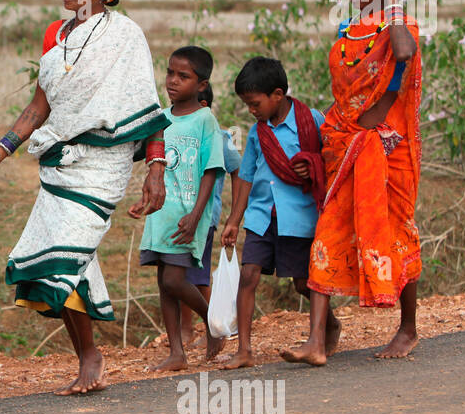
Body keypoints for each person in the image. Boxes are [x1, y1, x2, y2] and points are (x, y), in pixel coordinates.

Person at [0, 0, 171, 396]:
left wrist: (156, 168)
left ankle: (91, 355)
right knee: (73, 261)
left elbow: (146, 109)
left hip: (102, 167)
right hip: (59, 165)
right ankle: (88, 356)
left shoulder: (126, 36)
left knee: (64, 256)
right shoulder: (55, 36)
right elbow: (39, 107)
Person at [284, 0, 422, 365]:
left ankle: (408, 327)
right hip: (346, 146)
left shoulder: (401, 25)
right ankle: (315, 343)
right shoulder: (349, 31)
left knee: (398, 236)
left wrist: (394, 2)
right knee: (326, 236)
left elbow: (403, 54)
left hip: (387, 152)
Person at [218, 57, 339, 369]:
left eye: (255, 103)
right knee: (248, 275)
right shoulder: (258, 133)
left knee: (304, 283)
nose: (252, 111)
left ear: (277, 94)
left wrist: (312, 162)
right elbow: (246, 175)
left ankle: (328, 327)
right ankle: (244, 350)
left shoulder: (311, 119)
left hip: (300, 216)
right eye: (247, 105)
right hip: (261, 215)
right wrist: (234, 220)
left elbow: (333, 157)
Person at [138, 46, 227, 371]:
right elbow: (154, 166)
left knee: (176, 280)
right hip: (161, 214)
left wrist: (196, 215)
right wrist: (144, 199)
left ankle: (213, 323)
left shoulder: (206, 120)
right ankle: (177, 352)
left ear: (202, 85)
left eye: (183, 76)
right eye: (170, 73)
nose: (172, 81)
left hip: (188, 215)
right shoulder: (160, 119)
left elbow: (212, 170)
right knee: (165, 282)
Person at [176, 82, 242, 349]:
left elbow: (237, 170)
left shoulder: (221, 138)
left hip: (204, 219)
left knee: (197, 276)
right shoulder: (176, 132)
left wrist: (233, 215)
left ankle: (213, 328)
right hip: (177, 214)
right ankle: (185, 329)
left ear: (202, 107)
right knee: (177, 273)